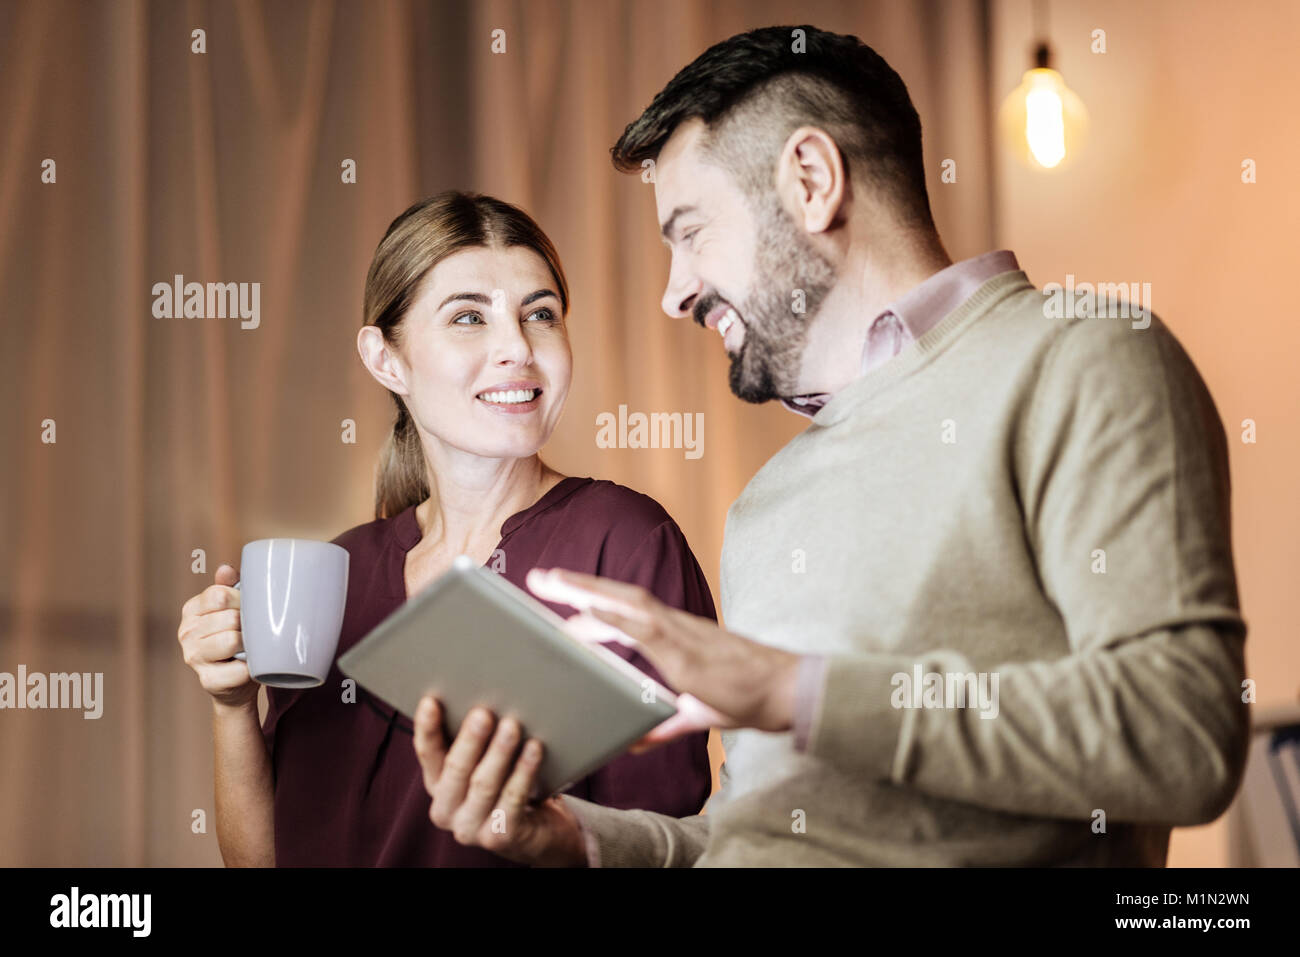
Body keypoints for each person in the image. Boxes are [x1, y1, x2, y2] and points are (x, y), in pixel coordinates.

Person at [410, 25, 1250, 867]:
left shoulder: (1082, 357)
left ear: (811, 181)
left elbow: (1181, 733)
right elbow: (751, 833)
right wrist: (575, 838)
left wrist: (795, 688)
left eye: (691, 230)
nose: (673, 293)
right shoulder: (768, 501)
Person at [176, 191, 714, 866]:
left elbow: (667, 846)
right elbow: (264, 861)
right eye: (468, 317)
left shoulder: (626, 541)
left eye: (540, 314)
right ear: (384, 359)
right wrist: (231, 705)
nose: (517, 347)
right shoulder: (339, 575)